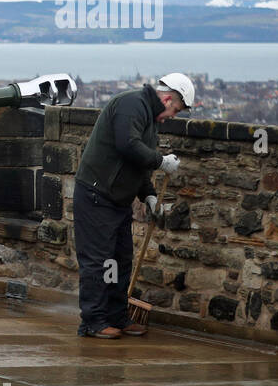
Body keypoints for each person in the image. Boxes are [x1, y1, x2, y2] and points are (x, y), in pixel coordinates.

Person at [73, 73, 193, 338]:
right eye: (175, 110)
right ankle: (93, 321)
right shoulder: (132, 104)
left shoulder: (150, 118)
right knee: (98, 261)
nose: (173, 116)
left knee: (119, 260)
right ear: (166, 98)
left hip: (117, 201)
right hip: (96, 196)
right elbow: (127, 145)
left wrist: (148, 194)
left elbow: (136, 164)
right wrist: (161, 161)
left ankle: (117, 316)